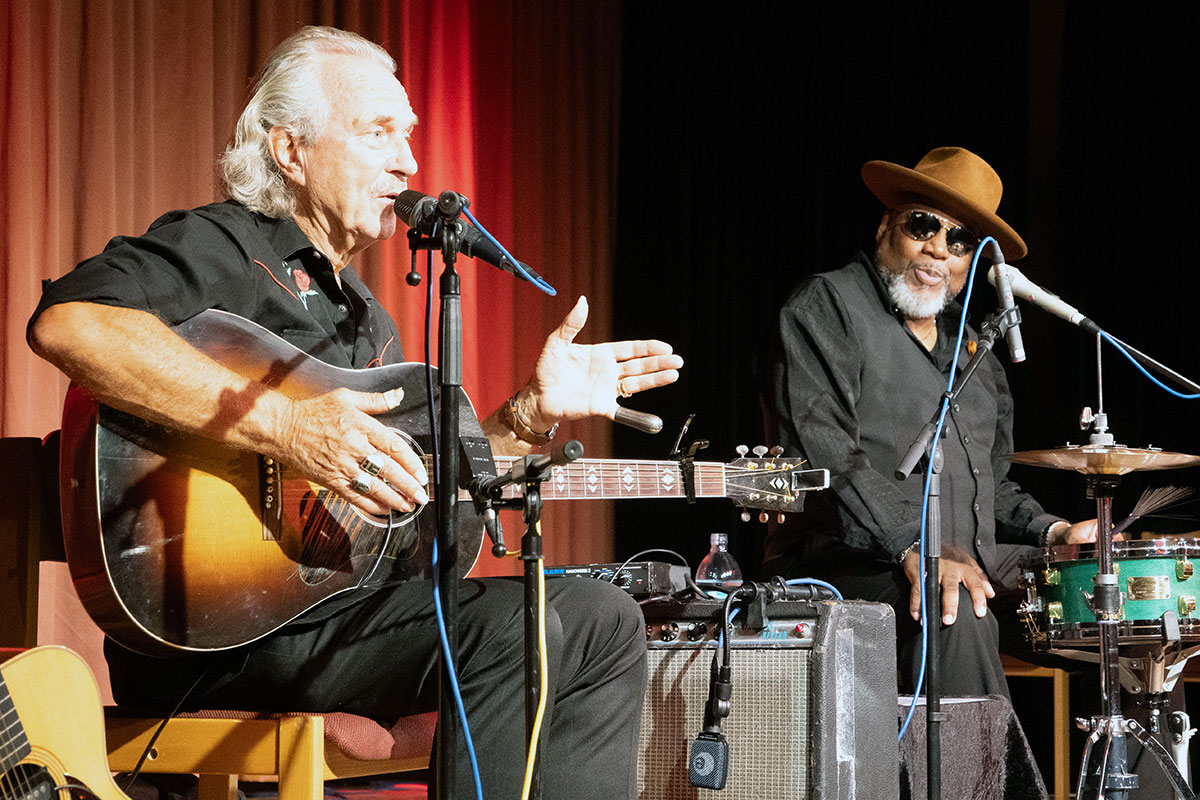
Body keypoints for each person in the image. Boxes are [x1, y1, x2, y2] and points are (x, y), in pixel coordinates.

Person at [27, 26, 683, 799]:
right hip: (214, 638)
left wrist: (528, 417)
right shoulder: (221, 249)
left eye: (408, 137)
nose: (408, 162)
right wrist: (289, 429)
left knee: (604, 619)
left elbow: (421, 508)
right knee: (533, 627)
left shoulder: (365, 321)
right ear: (290, 152)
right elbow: (70, 322)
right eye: (378, 134)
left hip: (331, 620)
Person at [756, 146, 1096, 697]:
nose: (938, 249)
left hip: (971, 559)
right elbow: (824, 460)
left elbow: (995, 488)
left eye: (959, 240)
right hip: (846, 565)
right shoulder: (826, 307)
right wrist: (914, 546)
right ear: (886, 227)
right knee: (954, 603)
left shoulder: (973, 353)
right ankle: (983, 782)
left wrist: (1055, 534)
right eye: (923, 226)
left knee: (1116, 611)